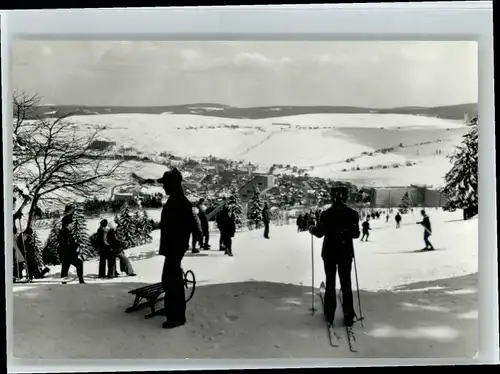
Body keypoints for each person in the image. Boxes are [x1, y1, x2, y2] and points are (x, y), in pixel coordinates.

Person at [309, 186, 360, 328]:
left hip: (329, 253)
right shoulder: (352, 214)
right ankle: (349, 316)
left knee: (330, 282)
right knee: (346, 283)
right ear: (345, 197)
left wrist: (312, 229)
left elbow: (319, 233)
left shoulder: (326, 214)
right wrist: (345, 232)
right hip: (345, 253)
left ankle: (330, 314)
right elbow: (356, 234)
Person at [157, 168, 199, 329]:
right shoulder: (177, 200)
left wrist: (175, 247)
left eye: (165, 184)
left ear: (173, 184)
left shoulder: (179, 202)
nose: (163, 187)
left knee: (171, 282)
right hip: (174, 248)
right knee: (172, 280)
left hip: (175, 248)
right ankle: (173, 312)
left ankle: (176, 317)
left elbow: (183, 228)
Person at [58, 215, 85, 284]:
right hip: (68, 254)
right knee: (78, 263)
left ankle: (64, 283)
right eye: (71, 223)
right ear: (67, 224)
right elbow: (66, 244)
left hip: (66, 254)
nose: (72, 225)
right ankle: (80, 280)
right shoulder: (65, 232)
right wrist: (74, 250)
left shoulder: (64, 231)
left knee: (65, 269)